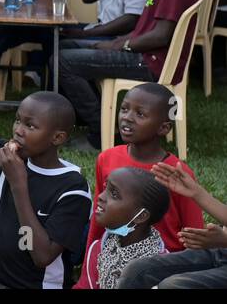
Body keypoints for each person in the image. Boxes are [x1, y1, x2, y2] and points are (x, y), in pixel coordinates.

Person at [0, 42, 92, 288]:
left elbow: (42, 256)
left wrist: (19, 184)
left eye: (30, 126)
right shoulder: (10, 156)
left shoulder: (72, 187)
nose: (18, 131)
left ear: (57, 138)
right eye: (17, 121)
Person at [57, 0, 204, 151]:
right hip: (144, 53)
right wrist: (116, 41)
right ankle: (95, 120)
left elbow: (161, 35)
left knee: (64, 60)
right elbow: (146, 26)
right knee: (64, 49)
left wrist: (119, 44)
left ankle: (101, 133)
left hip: (149, 62)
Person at [83, 83, 202, 256]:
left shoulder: (177, 173)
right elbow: (99, 215)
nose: (127, 117)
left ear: (163, 128)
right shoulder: (106, 158)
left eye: (140, 114)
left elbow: (195, 232)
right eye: (124, 109)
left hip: (164, 262)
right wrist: (91, 257)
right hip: (113, 254)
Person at [119, 163, 227, 288]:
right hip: (222, 251)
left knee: (172, 285)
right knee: (137, 270)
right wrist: (196, 192)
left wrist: (223, 241)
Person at [74, 168, 170, 289]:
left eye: (114, 194)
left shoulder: (161, 268)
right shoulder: (99, 249)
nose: (101, 197)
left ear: (141, 216)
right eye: (105, 187)